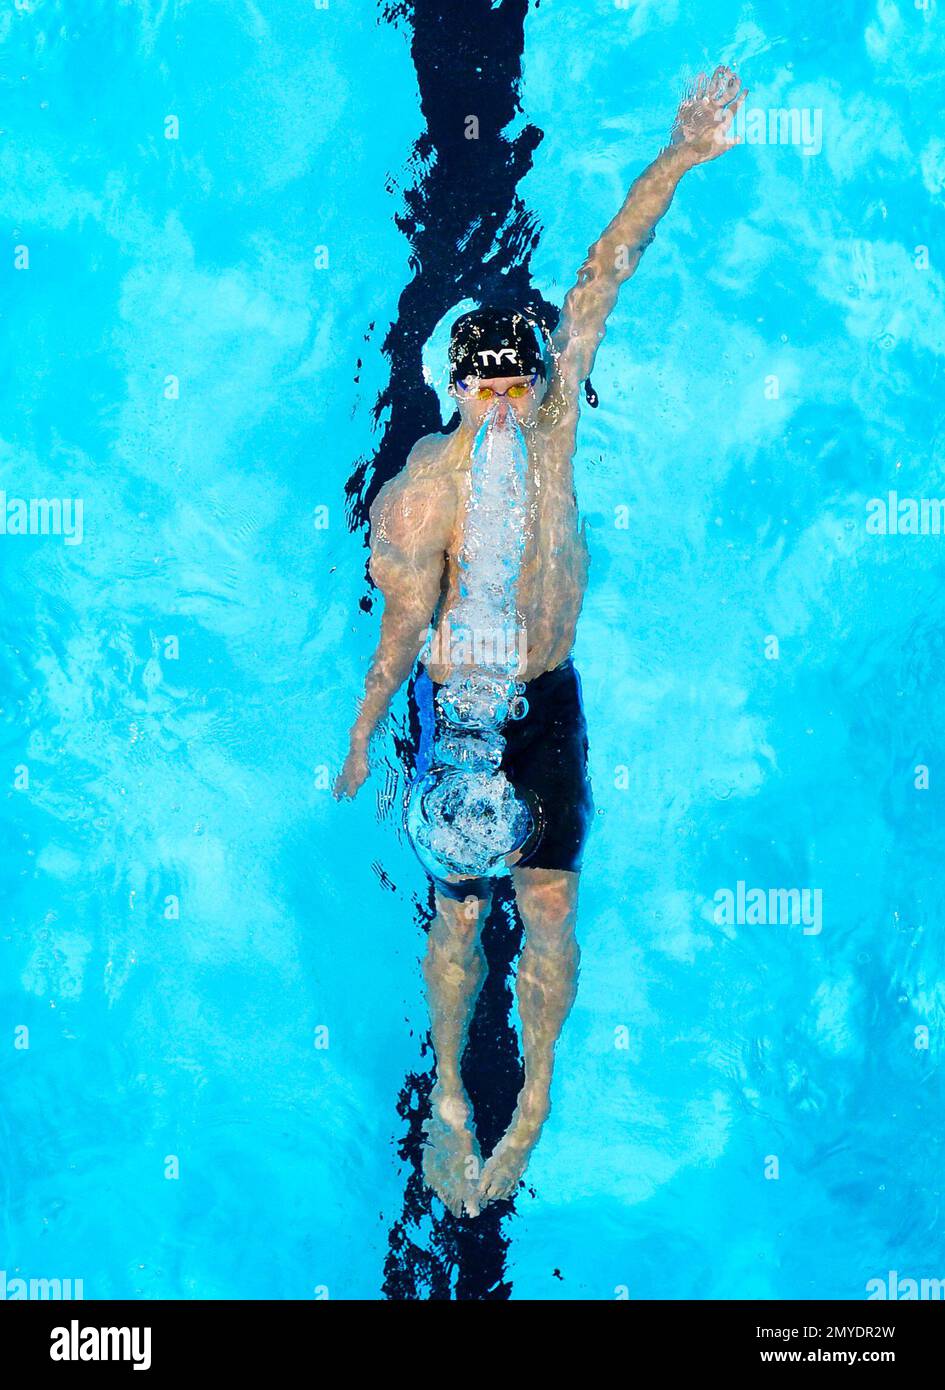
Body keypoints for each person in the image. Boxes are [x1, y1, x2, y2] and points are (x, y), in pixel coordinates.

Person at [334, 67, 746, 1217]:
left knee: (552, 907)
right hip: (462, 710)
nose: (514, 401)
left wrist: (677, 155)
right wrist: (370, 736)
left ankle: (533, 1105)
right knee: (462, 913)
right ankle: (455, 1102)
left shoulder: (558, 425)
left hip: (546, 699)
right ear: (460, 388)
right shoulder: (418, 497)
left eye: (526, 382)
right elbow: (403, 631)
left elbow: (603, 273)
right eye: (496, 385)